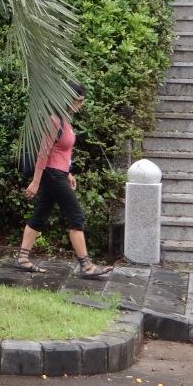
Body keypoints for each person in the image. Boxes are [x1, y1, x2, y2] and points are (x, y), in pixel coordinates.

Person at [14, 82, 114, 279]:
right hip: (51, 174)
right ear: (68, 99)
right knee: (76, 215)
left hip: (58, 173)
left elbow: (61, 152)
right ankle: (86, 266)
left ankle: (22, 258)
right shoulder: (54, 121)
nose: (81, 105)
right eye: (78, 101)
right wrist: (35, 181)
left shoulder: (64, 121)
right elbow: (44, 152)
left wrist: (68, 172)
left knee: (41, 213)